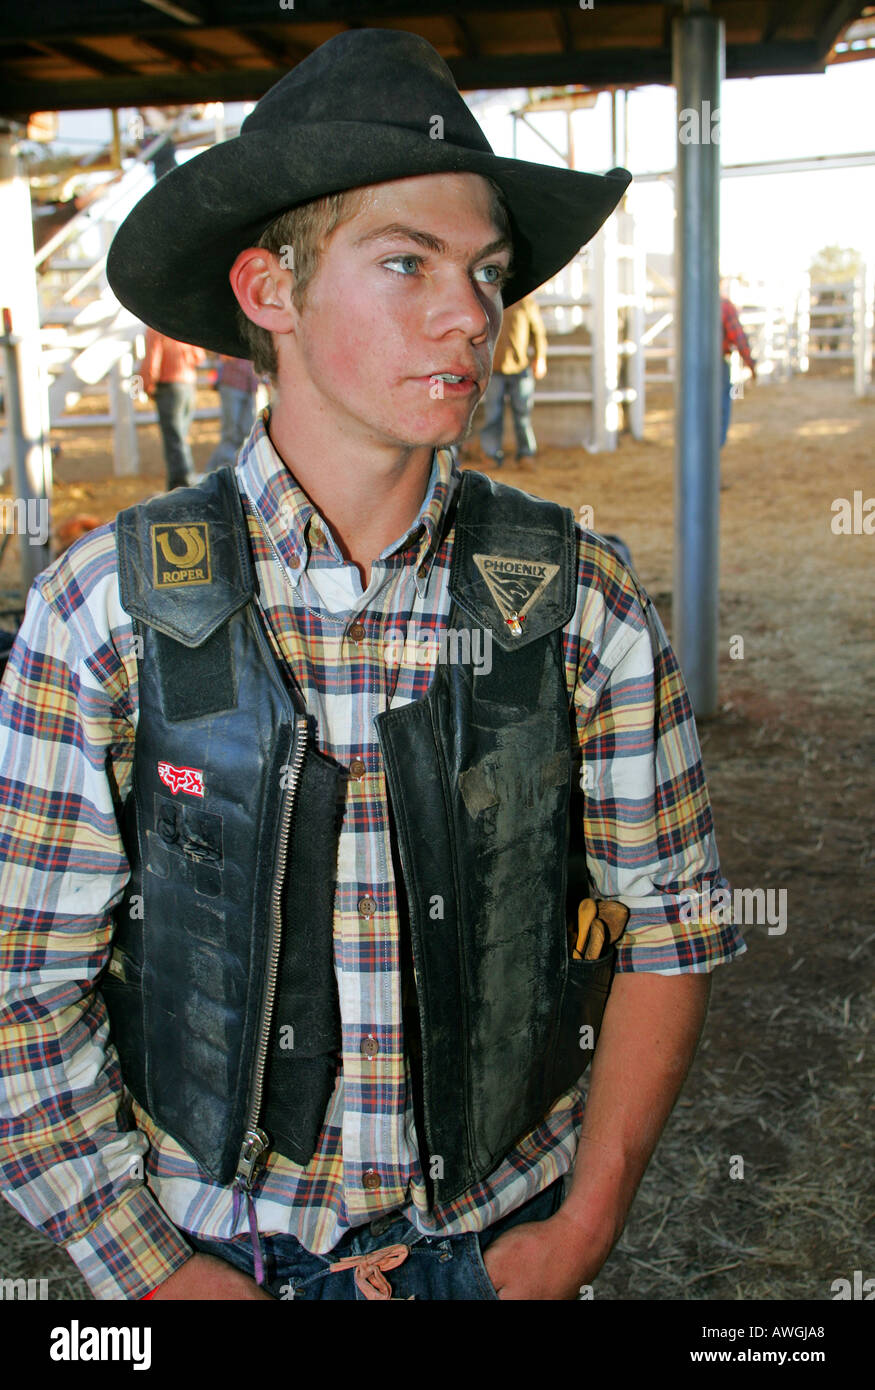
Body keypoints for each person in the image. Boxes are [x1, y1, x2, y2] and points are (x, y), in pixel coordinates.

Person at [0, 29, 744, 1302]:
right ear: (267, 290)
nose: (470, 315)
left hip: (503, 1239)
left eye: (486, 272)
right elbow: (24, 983)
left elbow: (668, 933)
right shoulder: (99, 609)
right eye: (406, 263)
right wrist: (151, 1275)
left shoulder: (583, 599)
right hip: (209, 1252)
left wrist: (578, 1231)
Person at [478, 294, 548, 465]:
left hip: (519, 367)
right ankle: (492, 454)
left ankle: (526, 454)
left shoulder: (525, 301)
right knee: (493, 414)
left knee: (522, 414)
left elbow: (538, 331)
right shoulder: (488, 301)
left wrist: (540, 357)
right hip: (494, 368)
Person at [137, 327, 205, 489]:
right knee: (181, 435)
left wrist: (147, 385)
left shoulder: (155, 328)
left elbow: (152, 360)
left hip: (169, 386)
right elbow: (199, 356)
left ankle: (181, 483)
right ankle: (184, 480)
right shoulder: (183, 326)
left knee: (174, 438)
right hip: (188, 385)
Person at [205, 354, 260, 473]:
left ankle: (213, 470)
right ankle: (222, 471)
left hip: (250, 385)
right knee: (231, 433)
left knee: (246, 431)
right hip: (233, 383)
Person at [721, 292, 757, 447]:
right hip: (718, 362)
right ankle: (717, 445)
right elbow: (739, 338)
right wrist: (751, 364)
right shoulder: (724, 305)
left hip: (691, 366)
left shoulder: (689, 304)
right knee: (721, 404)